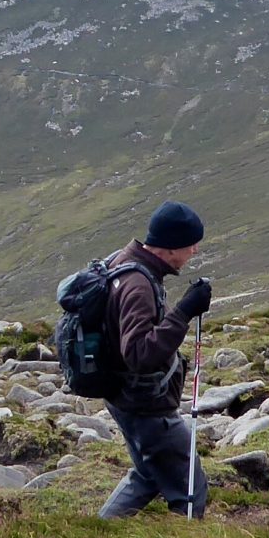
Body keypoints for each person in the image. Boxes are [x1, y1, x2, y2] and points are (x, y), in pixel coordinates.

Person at [97, 201, 214, 519]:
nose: (194, 250)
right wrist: (184, 312)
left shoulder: (123, 262)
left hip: (123, 398)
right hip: (146, 406)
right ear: (170, 246)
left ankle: (98, 534)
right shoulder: (137, 284)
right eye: (190, 244)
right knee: (191, 488)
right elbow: (139, 355)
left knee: (148, 475)